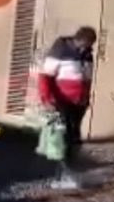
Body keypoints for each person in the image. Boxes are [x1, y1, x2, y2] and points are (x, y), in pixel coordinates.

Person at [37, 26, 97, 174]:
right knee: (65, 134)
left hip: (79, 101)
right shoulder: (61, 50)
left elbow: (87, 79)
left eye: (89, 46)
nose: (87, 49)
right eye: (86, 45)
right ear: (79, 40)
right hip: (62, 99)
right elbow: (45, 75)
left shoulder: (87, 54)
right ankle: (65, 169)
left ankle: (73, 165)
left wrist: (86, 97)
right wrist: (46, 98)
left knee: (75, 134)